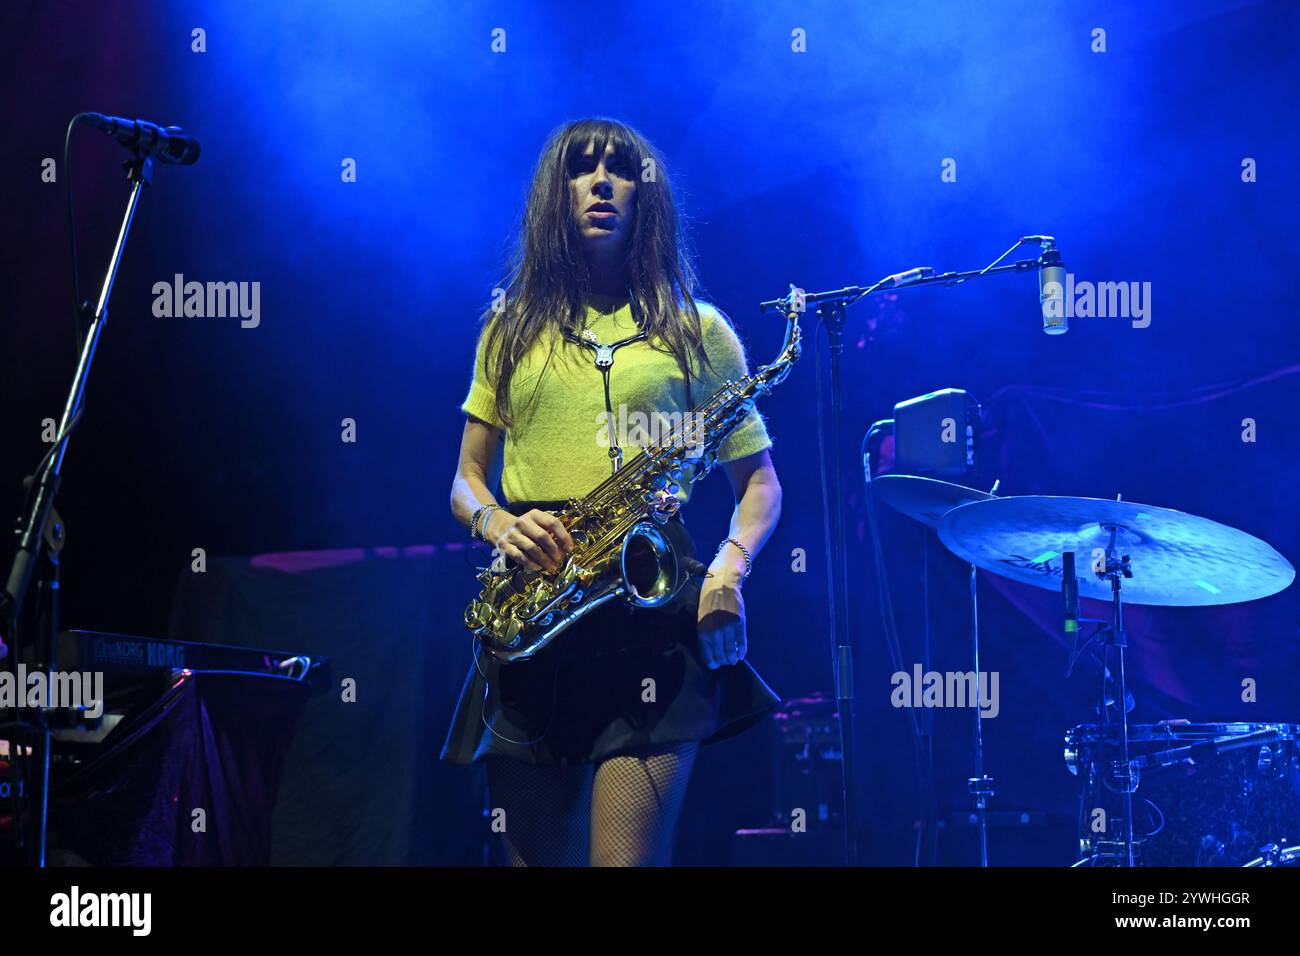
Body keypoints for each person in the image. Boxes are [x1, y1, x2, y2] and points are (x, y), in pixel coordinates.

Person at [441, 118, 783, 866]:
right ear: (551, 196)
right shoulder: (508, 329)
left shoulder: (701, 331)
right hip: (533, 603)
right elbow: (465, 482)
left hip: (651, 610)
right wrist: (499, 524)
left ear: (646, 195)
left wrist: (727, 569)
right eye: (581, 168)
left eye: (622, 168)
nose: (601, 181)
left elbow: (758, 483)